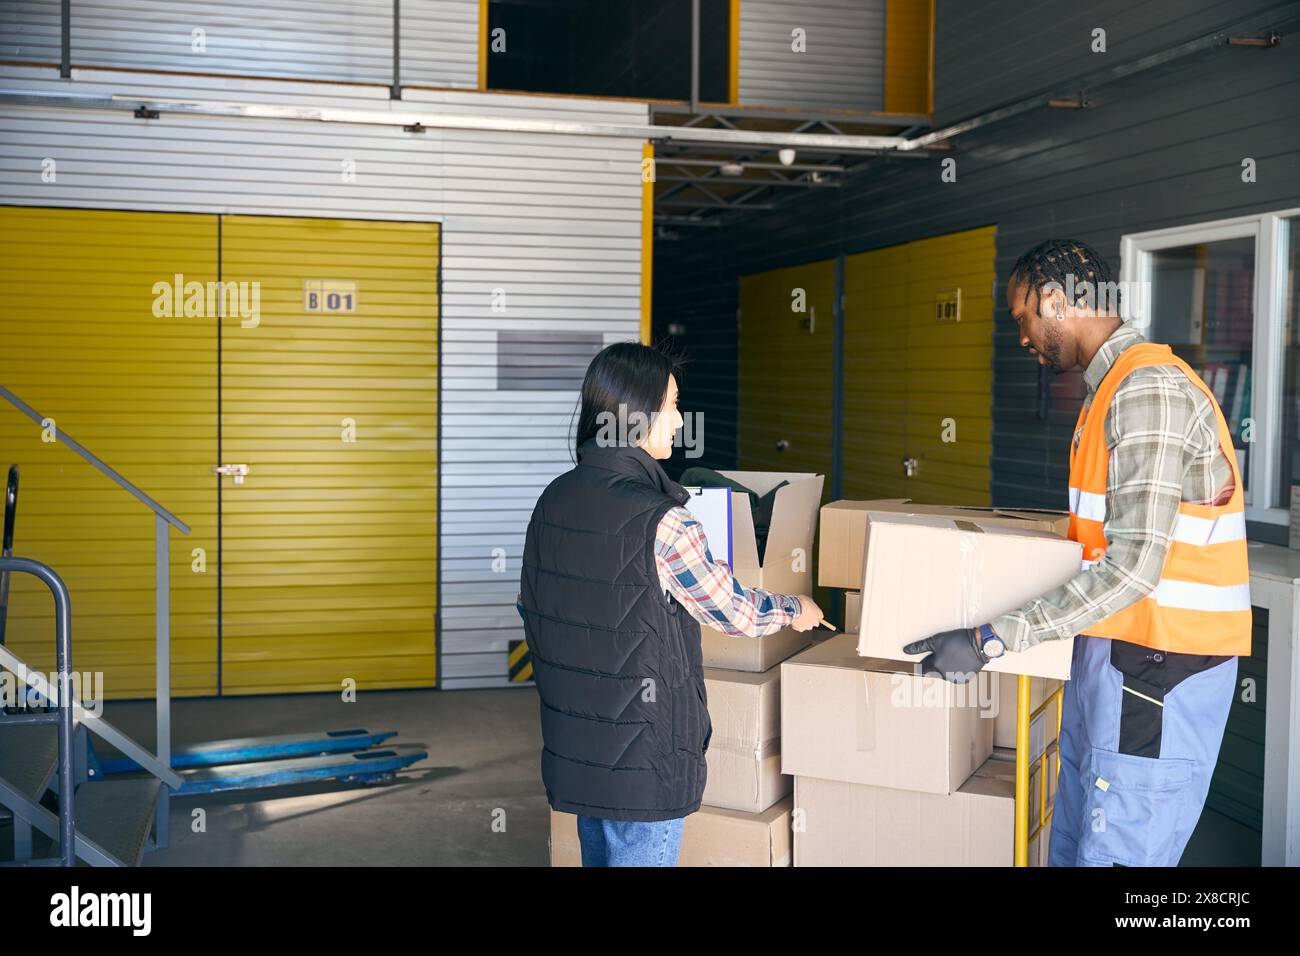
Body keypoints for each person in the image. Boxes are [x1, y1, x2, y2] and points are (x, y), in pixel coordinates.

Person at [904, 239, 1250, 867]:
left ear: (1056, 301)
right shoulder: (1107, 392)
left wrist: (989, 638)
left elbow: (1132, 567)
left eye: (1023, 318)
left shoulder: (1146, 389)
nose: (1023, 338)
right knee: (1077, 845)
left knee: (1117, 856)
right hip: (1116, 659)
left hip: (1158, 672)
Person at [518, 341, 822, 867]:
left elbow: (534, 609)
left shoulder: (554, 500)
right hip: (646, 760)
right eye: (673, 405)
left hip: (580, 747)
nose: (680, 422)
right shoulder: (664, 522)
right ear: (638, 415)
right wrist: (798, 609)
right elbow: (734, 613)